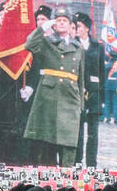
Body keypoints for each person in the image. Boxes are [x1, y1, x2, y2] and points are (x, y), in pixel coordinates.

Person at [23, 9, 84, 166]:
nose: (61, 22)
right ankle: (48, 183)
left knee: (69, 141)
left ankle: (67, 180)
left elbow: (80, 77)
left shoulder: (78, 47)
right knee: (48, 142)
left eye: (65, 20)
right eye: (58, 20)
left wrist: (81, 104)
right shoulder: (46, 41)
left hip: (70, 96)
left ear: (71, 25)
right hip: (49, 96)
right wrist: (42, 28)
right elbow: (29, 44)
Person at [73, 13, 105, 168]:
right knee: (77, 132)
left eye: (78, 26)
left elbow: (102, 72)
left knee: (93, 134)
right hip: (76, 93)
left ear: (86, 27)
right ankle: (77, 162)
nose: (76, 29)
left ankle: (92, 164)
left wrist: (102, 98)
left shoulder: (98, 46)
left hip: (93, 94)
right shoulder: (72, 43)